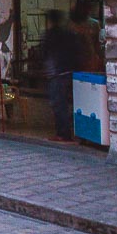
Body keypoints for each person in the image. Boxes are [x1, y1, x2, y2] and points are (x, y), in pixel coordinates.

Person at [42, 9, 80, 142]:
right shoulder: (69, 33)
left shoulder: (50, 34)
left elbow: (44, 53)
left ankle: (63, 133)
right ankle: (73, 130)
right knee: (70, 102)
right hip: (70, 71)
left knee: (59, 104)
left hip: (57, 73)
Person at [70, 1, 104, 72]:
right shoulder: (71, 25)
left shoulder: (94, 24)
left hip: (90, 60)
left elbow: (98, 44)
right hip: (78, 60)